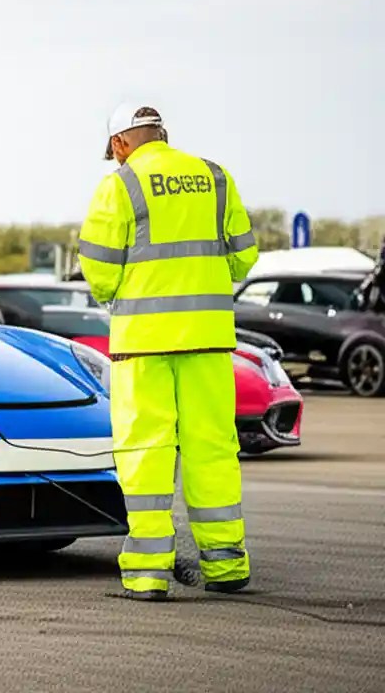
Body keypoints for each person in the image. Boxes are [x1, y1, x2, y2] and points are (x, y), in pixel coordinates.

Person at [78, 104, 259, 601]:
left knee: (145, 452)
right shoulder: (215, 177)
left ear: (120, 144)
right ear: (162, 134)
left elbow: (98, 269)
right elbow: (244, 255)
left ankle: (147, 572)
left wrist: (124, 291)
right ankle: (226, 565)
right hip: (208, 340)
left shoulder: (119, 186)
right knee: (213, 449)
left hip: (143, 345)